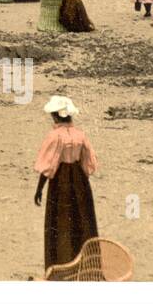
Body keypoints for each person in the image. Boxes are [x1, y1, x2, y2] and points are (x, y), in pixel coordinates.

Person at [34, 95, 99, 271]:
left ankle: (61, 263)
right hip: (79, 180)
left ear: (55, 116)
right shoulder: (80, 135)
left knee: (60, 221)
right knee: (82, 219)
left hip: (60, 181)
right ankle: (84, 263)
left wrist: (40, 189)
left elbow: (48, 165)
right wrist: (81, 181)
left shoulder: (54, 136)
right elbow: (89, 163)